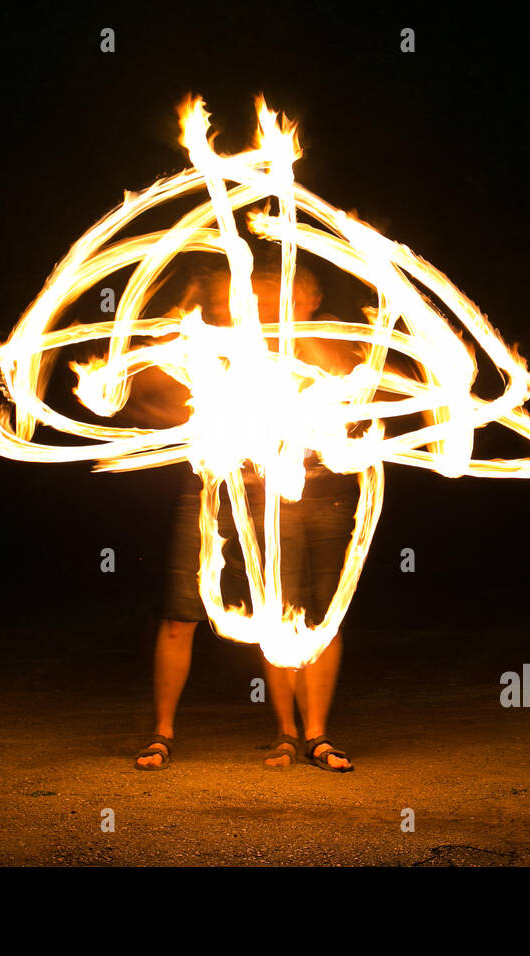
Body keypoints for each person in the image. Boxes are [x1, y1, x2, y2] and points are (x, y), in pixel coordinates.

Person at [132, 259, 362, 772]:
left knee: (310, 615)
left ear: (309, 302)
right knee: (185, 612)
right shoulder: (222, 349)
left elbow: (350, 395)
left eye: (281, 296)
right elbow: (162, 399)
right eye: (255, 297)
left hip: (310, 491)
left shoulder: (319, 350)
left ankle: (315, 735)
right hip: (223, 486)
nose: (266, 306)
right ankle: (169, 732)